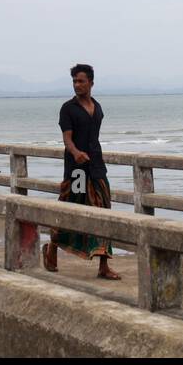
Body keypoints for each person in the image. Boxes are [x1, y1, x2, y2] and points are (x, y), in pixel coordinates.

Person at [42, 63, 120, 279]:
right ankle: (51, 249)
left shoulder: (98, 107)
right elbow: (67, 139)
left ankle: (103, 265)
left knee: (104, 211)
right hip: (76, 171)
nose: (77, 85)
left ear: (91, 83)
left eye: (81, 81)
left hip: (96, 167)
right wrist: (76, 152)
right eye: (74, 81)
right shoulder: (68, 108)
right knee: (70, 210)